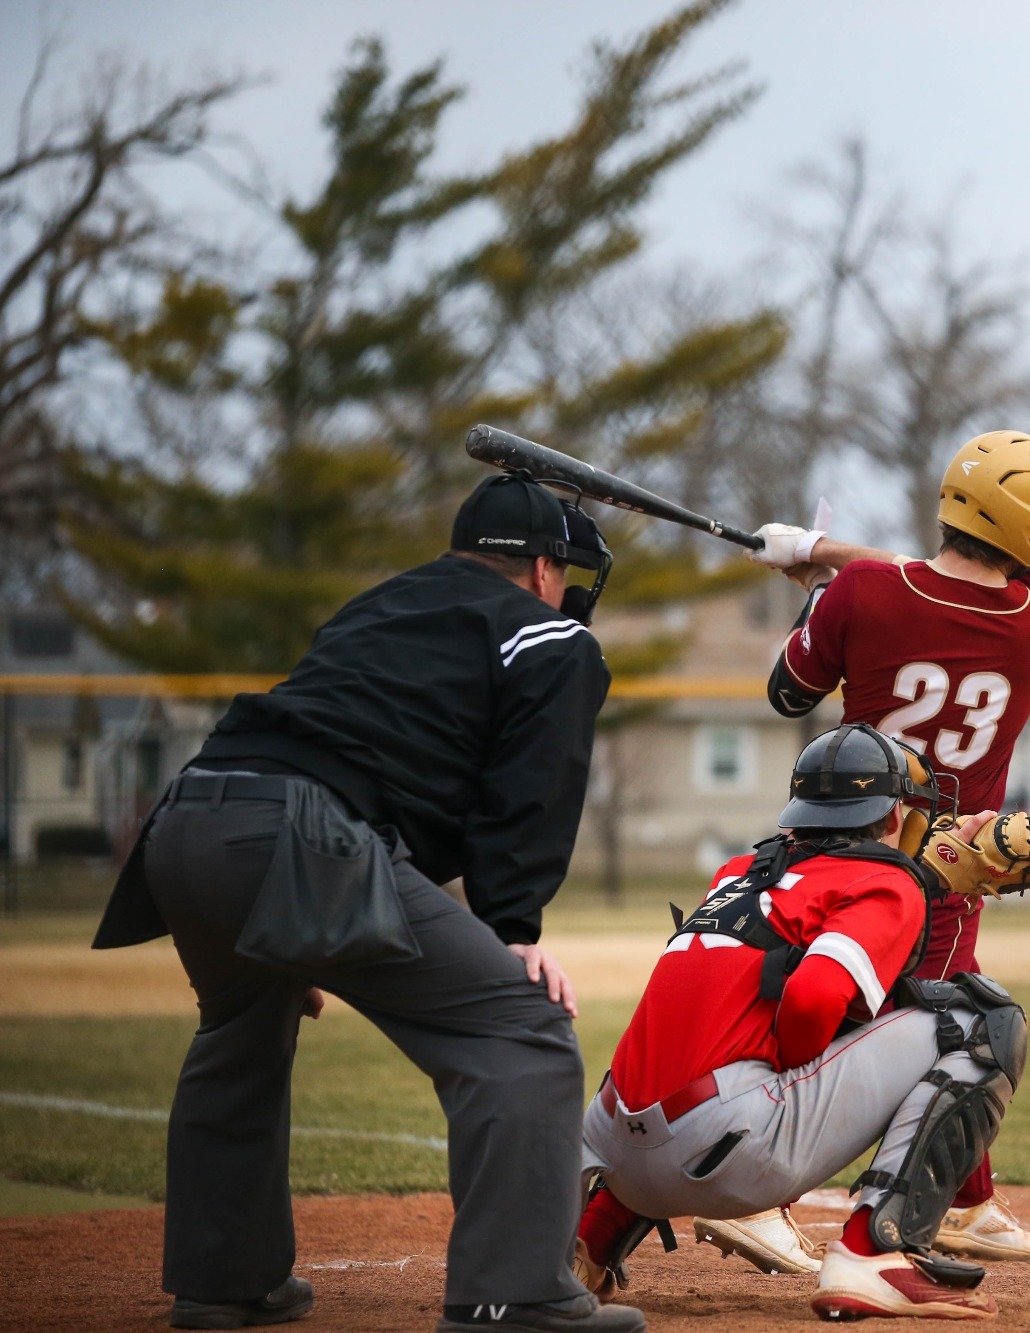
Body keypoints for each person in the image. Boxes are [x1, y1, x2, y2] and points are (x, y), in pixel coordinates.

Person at [91, 472, 643, 1333]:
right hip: (296, 835)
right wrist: (511, 929)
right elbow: (533, 790)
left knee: (241, 1026)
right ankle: (515, 1297)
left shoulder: (378, 605)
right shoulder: (549, 635)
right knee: (520, 1030)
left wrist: (293, 933)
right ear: (543, 568)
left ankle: (223, 1281)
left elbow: (370, 752)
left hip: (187, 821)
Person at [690, 431, 1030, 1275]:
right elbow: (938, 588)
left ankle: (968, 1201)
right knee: (930, 1022)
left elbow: (789, 691)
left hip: (833, 843)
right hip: (952, 857)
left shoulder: (864, 591)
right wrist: (828, 560)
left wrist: (818, 580)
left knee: (833, 1006)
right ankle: (764, 1198)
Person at [572, 724, 1030, 1321]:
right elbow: (815, 999)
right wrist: (926, 881)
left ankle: (587, 1246)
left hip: (610, 1151)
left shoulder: (739, 871)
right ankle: (875, 1255)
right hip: (721, 1151)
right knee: (982, 1020)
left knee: (706, 1050)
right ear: (892, 816)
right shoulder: (885, 881)